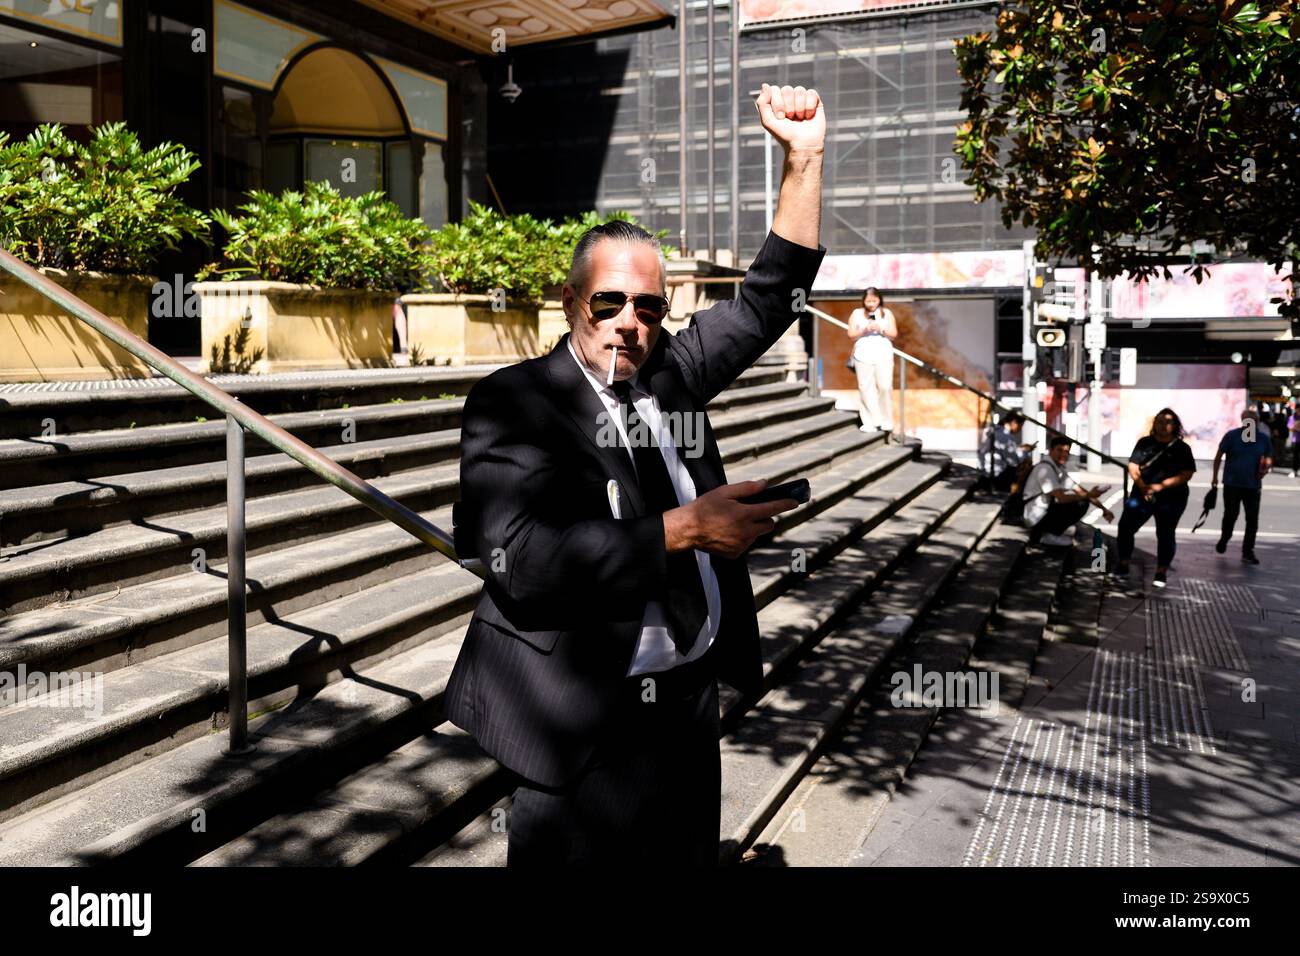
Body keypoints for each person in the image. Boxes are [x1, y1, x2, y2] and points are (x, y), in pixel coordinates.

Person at [444, 83, 826, 866]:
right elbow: (521, 556)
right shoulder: (514, 402)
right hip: (581, 725)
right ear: (571, 302)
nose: (629, 321)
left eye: (648, 307)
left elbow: (765, 303)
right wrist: (685, 529)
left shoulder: (669, 377)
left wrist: (805, 159)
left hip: (685, 711)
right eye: (609, 302)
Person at [1115, 408, 1197, 588]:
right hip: (1142, 493)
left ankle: (1161, 571)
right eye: (1160, 421)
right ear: (1154, 424)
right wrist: (1143, 486)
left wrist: (1160, 486)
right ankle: (1123, 563)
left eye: (1168, 422)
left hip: (1172, 497)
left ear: (1175, 425)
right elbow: (1133, 465)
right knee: (1126, 526)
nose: (1163, 425)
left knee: (1165, 533)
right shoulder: (1145, 443)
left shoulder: (1182, 448)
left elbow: (1186, 473)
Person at [1020, 434, 1114, 546]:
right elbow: (1062, 498)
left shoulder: (1057, 468)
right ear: (1050, 450)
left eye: (1066, 451)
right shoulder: (1045, 469)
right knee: (1080, 503)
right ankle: (1047, 535)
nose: (1063, 454)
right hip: (1034, 516)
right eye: (1059, 450)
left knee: (1082, 501)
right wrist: (1088, 495)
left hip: (1043, 512)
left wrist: (1104, 509)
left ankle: (1052, 532)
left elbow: (1080, 490)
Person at [1212, 407, 1274, 565]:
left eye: (1254, 421)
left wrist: (1265, 468)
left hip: (1253, 485)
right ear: (1242, 421)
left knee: (1252, 519)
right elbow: (1219, 456)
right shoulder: (1232, 436)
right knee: (1231, 515)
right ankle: (1225, 538)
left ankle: (1248, 551)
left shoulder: (1263, 439)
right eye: (1248, 421)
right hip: (1232, 483)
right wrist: (1214, 477)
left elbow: (1268, 457)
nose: (1251, 424)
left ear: (1258, 423)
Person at [847, 286, 898, 435]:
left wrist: (880, 328)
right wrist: (864, 329)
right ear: (863, 301)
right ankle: (869, 421)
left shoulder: (886, 313)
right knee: (865, 387)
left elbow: (893, 334)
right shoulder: (857, 314)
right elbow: (851, 334)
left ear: (879, 299)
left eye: (874, 300)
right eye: (868, 301)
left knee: (885, 386)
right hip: (863, 354)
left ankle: (886, 420)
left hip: (883, 353)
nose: (871, 304)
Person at [979, 410, 1034, 493]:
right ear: (1014, 423)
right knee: (1026, 465)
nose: (1020, 429)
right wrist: (1025, 451)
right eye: (1021, 426)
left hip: (985, 472)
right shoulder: (1005, 435)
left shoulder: (996, 430)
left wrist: (1020, 449)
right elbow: (1013, 461)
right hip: (995, 475)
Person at [1287, 399, 1300, 478]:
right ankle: (1294, 471)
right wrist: (1295, 427)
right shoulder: (1292, 417)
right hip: (1295, 440)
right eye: (1297, 409)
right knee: (1295, 456)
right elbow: (1290, 427)